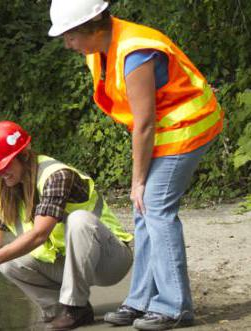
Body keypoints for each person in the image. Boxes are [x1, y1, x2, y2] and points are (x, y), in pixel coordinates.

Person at [46, 0, 224, 330]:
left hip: (188, 127)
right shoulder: (99, 49)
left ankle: (175, 307)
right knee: (144, 210)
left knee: (154, 207)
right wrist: (138, 183)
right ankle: (140, 301)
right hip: (164, 131)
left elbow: (144, 125)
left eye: (70, 36)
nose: (67, 43)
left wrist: (138, 180)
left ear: (92, 26)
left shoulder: (135, 53)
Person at [0, 120, 133, 330]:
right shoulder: (6, 191)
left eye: (6, 165)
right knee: (8, 263)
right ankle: (60, 310)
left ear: (24, 155)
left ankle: (75, 307)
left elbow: (40, 234)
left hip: (110, 260)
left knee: (79, 220)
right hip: (69, 264)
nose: (1, 173)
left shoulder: (56, 176)